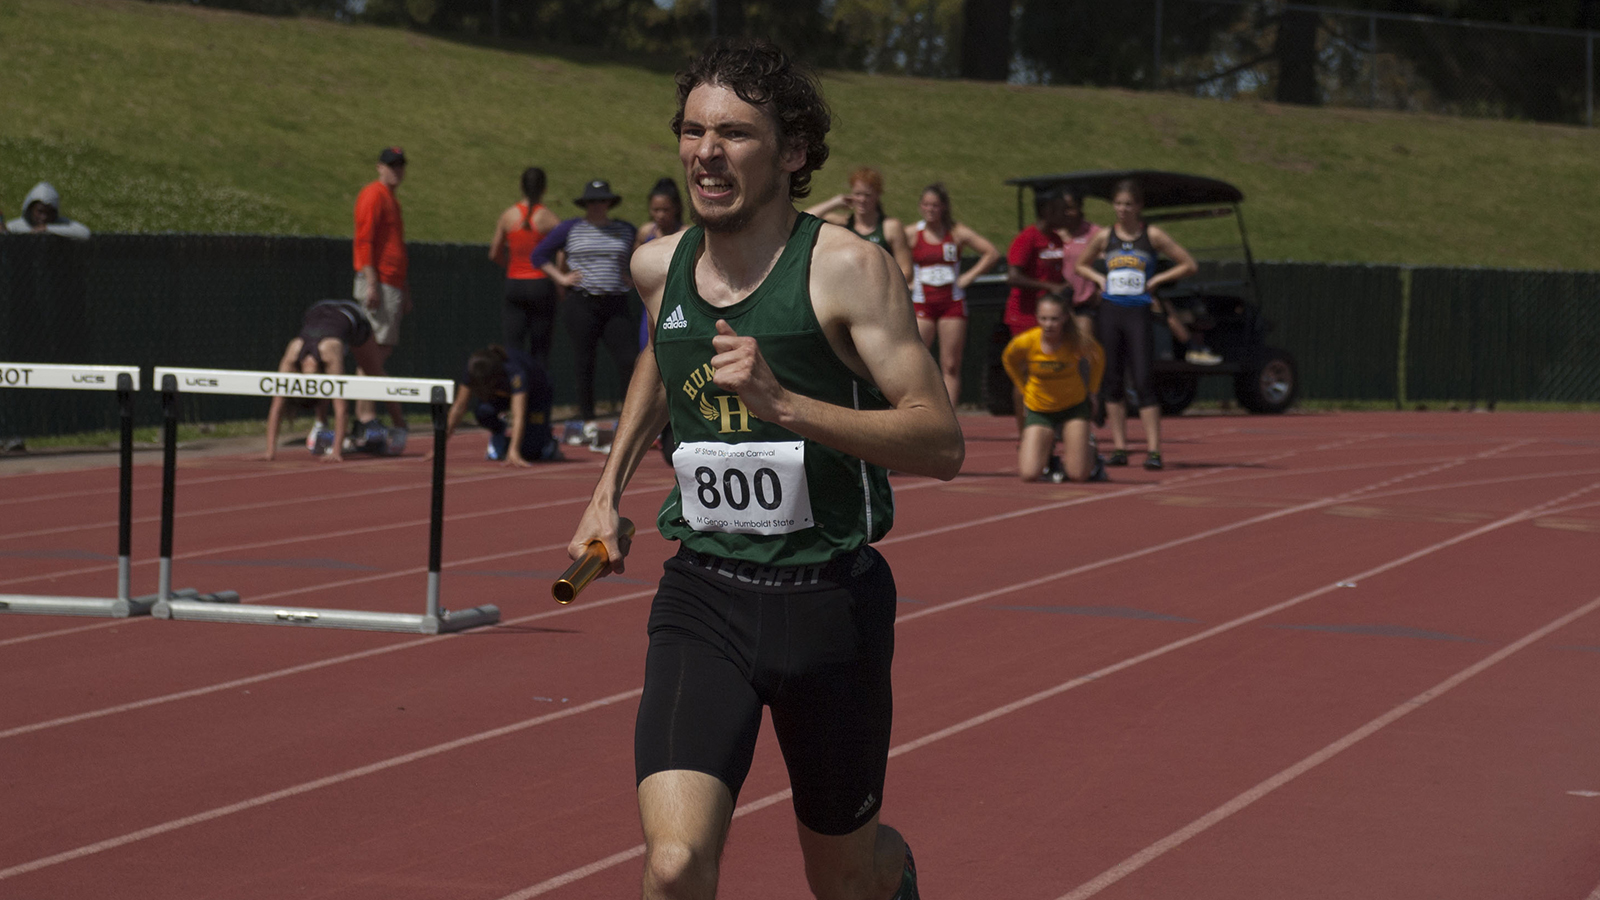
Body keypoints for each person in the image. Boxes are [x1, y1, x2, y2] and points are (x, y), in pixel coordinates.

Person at [566, 37, 962, 900]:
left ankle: (892, 876)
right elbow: (663, 359)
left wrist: (788, 408)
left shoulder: (850, 272)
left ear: (792, 152)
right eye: (693, 130)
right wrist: (607, 490)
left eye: (736, 134)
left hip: (831, 607)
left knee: (846, 879)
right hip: (703, 597)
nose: (707, 151)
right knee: (673, 868)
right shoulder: (656, 265)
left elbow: (940, 442)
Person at [1075, 178, 1197, 471]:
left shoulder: (1151, 235)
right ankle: (1120, 447)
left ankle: (1154, 450)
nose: (1123, 209)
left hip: (1138, 313)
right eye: (1118, 204)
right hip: (1110, 311)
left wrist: (1157, 280)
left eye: (1128, 204)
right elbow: (1081, 263)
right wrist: (1098, 279)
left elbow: (1189, 264)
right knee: (1112, 381)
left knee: (1143, 379)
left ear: (1139, 206)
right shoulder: (1105, 237)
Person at [531, 179, 638, 437]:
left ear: (610, 202)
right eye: (592, 201)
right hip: (582, 302)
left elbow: (642, 253)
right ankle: (589, 419)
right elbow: (539, 255)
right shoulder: (571, 228)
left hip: (615, 301)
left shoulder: (625, 229)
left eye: (602, 200)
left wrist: (633, 277)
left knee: (629, 359)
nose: (598, 205)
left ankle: (630, 419)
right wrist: (561, 278)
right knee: (584, 361)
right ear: (585, 204)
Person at [263, 299, 402, 462]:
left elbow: (341, 407)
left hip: (351, 317)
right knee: (330, 386)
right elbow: (277, 405)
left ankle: (400, 426)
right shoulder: (293, 357)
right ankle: (321, 423)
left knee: (373, 372)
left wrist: (336, 452)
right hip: (322, 313)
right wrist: (270, 451)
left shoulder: (323, 351)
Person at [908, 182, 999, 409]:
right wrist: (905, 278)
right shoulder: (911, 233)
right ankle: (916, 410)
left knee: (950, 365)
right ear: (920, 206)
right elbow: (890, 253)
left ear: (944, 207)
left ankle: (949, 416)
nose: (930, 209)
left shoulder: (956, 233)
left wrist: (969, 277)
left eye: (935, 205)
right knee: (915, 359)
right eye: (926, 205)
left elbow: (991, 253)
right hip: (922, 303)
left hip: (952, 304)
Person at [1002, 294, 1106, 483]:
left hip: (1073, 407)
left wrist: (1092, 391)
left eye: (1054, 319)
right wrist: (1023, 388)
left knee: (1078, 475)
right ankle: (1050, 457)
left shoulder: (1074, 341)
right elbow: (1008, 359)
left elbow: (1098, 357)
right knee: (1029, 473)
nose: (1048, 324)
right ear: (1037, 317)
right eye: (1044, 318)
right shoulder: (1027, 341)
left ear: (1065, 318)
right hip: (1040, 408)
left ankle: (1092, 454)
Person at [352, 146, 412, 434]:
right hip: (380, 281)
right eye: (391, 165)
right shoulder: (374, 194)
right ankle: (367, 416)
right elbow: (364, 240)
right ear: (379, 166)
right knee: (373, 352)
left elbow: (395, 246)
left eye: (400, 165)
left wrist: (404, 289)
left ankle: (366, 416)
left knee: (377, 350)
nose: (396, 170)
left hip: (391, 282)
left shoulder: (391, 200)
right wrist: (372, 283)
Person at [433, 345, 561, 466]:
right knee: (483, 412)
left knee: (531, 451)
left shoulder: (515, 372)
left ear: (494, 379)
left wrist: (514, 451)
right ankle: (499, 432)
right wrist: (438, 448)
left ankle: (548, 442)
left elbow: (518, 416)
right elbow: (459, 407)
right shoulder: (474, 369)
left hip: (537, 396)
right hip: (502, 397)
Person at [489, 167, 562, 365]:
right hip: (540, 284)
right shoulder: (549, 217)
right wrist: (559, 277)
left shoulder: (508, 216)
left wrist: (511, 266)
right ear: (544, 189)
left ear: (521, 187)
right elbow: (563, 250)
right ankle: (537, 392)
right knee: (540, 347)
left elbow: (494, 253)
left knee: (513, 346)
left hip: (515, 283)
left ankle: (516, 390)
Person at [804, 167, 912, 280]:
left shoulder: (891, 227)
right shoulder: (841, 223)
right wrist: (834, 203)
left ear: (878, 195)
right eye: (857, 194)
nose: (862, 200)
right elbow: (804, 220)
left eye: (868, 195)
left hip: (878, 290)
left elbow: (906, 271)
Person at [1054, 187, 1104, 341]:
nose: (1066, 213)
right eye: (1062, 208)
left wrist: (1100, 291)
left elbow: (1106, 265)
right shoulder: (1052, 234)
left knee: (1083, 345)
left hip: (1084, 303)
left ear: (1080, 207)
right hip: (1056, 302)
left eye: (1070, 208)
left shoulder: (1095, 233)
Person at [5, 182, 91, 239]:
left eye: (49, 212)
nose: (44, 217)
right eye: (40, 211)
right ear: (30, 209)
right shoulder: (16, 226)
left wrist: (47, 228)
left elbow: (84, 232)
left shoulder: (60, 224)